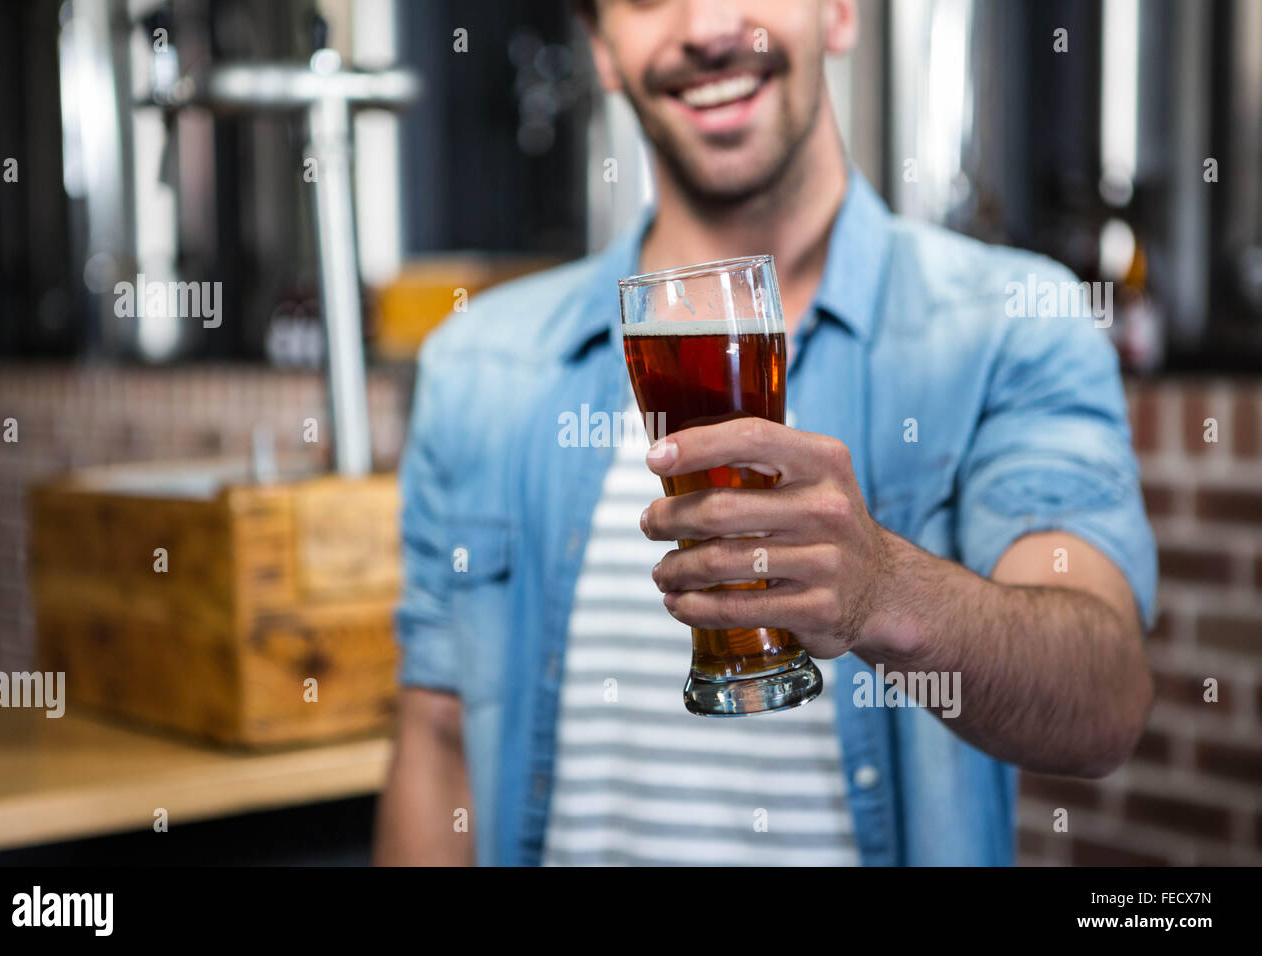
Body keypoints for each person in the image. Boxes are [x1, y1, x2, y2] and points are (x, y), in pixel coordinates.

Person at [374, 0, 1156, 866]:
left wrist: (882, 591)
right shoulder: (476, 365)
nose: (708, 26)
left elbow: (1105, 700)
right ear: (600, 48)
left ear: (842, 13)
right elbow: (438, 739)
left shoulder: (1018, 323)